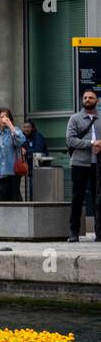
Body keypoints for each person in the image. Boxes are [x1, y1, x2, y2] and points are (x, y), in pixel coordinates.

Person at [65, 89, 101, 242]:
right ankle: (74, 232)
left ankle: (99, 233)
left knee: (98, 199)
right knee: (77, 198)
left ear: (97, 101)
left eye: (90, 97)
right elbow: (70, 140)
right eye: (85, 97)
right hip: (80, 163)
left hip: (98, 165)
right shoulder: (75, 118)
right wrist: (91, 143)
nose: (87, 99)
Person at [0, 107, 27, 202]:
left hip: (13, 172)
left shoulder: (15, 131)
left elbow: (21, 141)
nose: (4, 118)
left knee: (15, 199)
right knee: (2, 200)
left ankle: (18, 217)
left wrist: (11, 127)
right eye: (1, 116)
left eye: (7, 116)